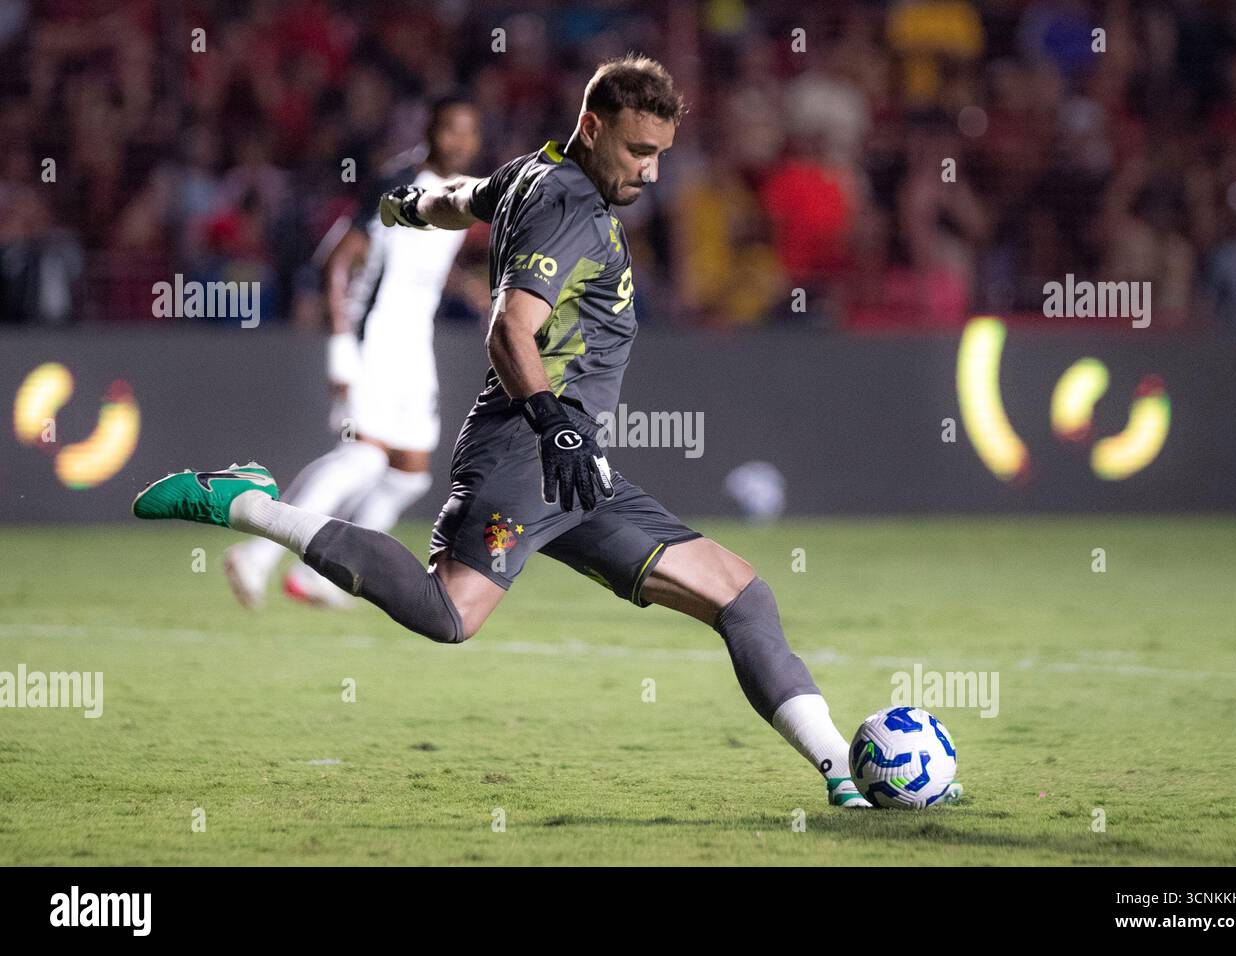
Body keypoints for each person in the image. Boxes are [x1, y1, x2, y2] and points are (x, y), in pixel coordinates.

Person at [134, 55, 962, 809]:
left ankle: (842, 778)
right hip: (529, 451)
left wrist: (407, 207)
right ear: (593, 127)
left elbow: (462, 198)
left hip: (574, 464)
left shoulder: (536, 172)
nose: (651, 170)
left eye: (662, 153)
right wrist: (552, 425)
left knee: (741, 594)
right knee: (448, 614)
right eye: (639, 150)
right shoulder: (567, 205)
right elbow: (509, 328)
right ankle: (251, 507)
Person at [223, 95, 482, 607]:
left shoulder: (460, 197)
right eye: (450, 128)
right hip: (375, 338)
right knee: (361, 458)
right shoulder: (397, 187)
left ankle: (323, 575)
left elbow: (417, 259)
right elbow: (338, 259)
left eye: (470, 131)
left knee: (409, 474)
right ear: (429, 131)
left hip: (415, 347)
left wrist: (467, 287)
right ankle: (255, 553)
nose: (460, 140)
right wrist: (341, 348)